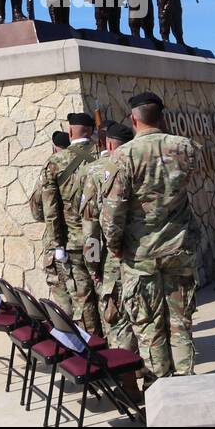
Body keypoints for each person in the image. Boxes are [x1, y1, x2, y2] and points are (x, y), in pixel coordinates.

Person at [100, 91, 200, 383]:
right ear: (162, 116)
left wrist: (115, 247)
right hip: (179, 249)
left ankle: (161, 390)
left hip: (140, 254)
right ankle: (187, 384)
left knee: (148, 326)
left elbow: (113, 212)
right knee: (181, 323)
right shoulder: (185, 148)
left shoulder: (122, 156)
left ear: (133, 119)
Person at [79, 121, 137, 350]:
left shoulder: (96, 171)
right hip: (146, 254)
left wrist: (93, 265)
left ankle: (129, 382)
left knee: (118, 320)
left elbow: (91, 227)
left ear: (110, 144)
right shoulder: (142, 164)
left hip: (114, 259)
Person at [38, 113, 100, 322]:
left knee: (83, 299)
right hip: (102, 240)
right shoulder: (105, 155)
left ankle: (92, 347)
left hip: (74, 243)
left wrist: (57, 245)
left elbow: (50, 209)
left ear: (71, 131)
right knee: (107, 295)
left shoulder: (55, 161)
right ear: (92, 131)